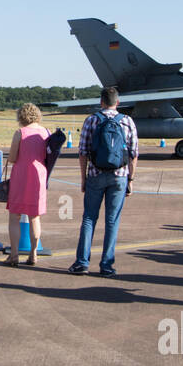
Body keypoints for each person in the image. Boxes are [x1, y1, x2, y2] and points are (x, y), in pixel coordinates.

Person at [69, 86, 137, 277]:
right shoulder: (128, 121)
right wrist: (130, 179)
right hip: (119, 177)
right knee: (112, 221)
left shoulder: (91, 120)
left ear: (101, 102)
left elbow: (82, 152)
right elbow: (133, 154)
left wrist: (83, 178)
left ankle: (82, 263)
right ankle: (106, 265)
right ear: (118, 102)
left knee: (89, 218)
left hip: (95, 175)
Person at [4, 103, 49, 267]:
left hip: (21, 175)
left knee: (14, 216)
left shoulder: (20, 133)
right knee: (34, 217)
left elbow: (13, 158)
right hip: (39, 175)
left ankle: (14, 254)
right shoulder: (45, 132)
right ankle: (34, 253)